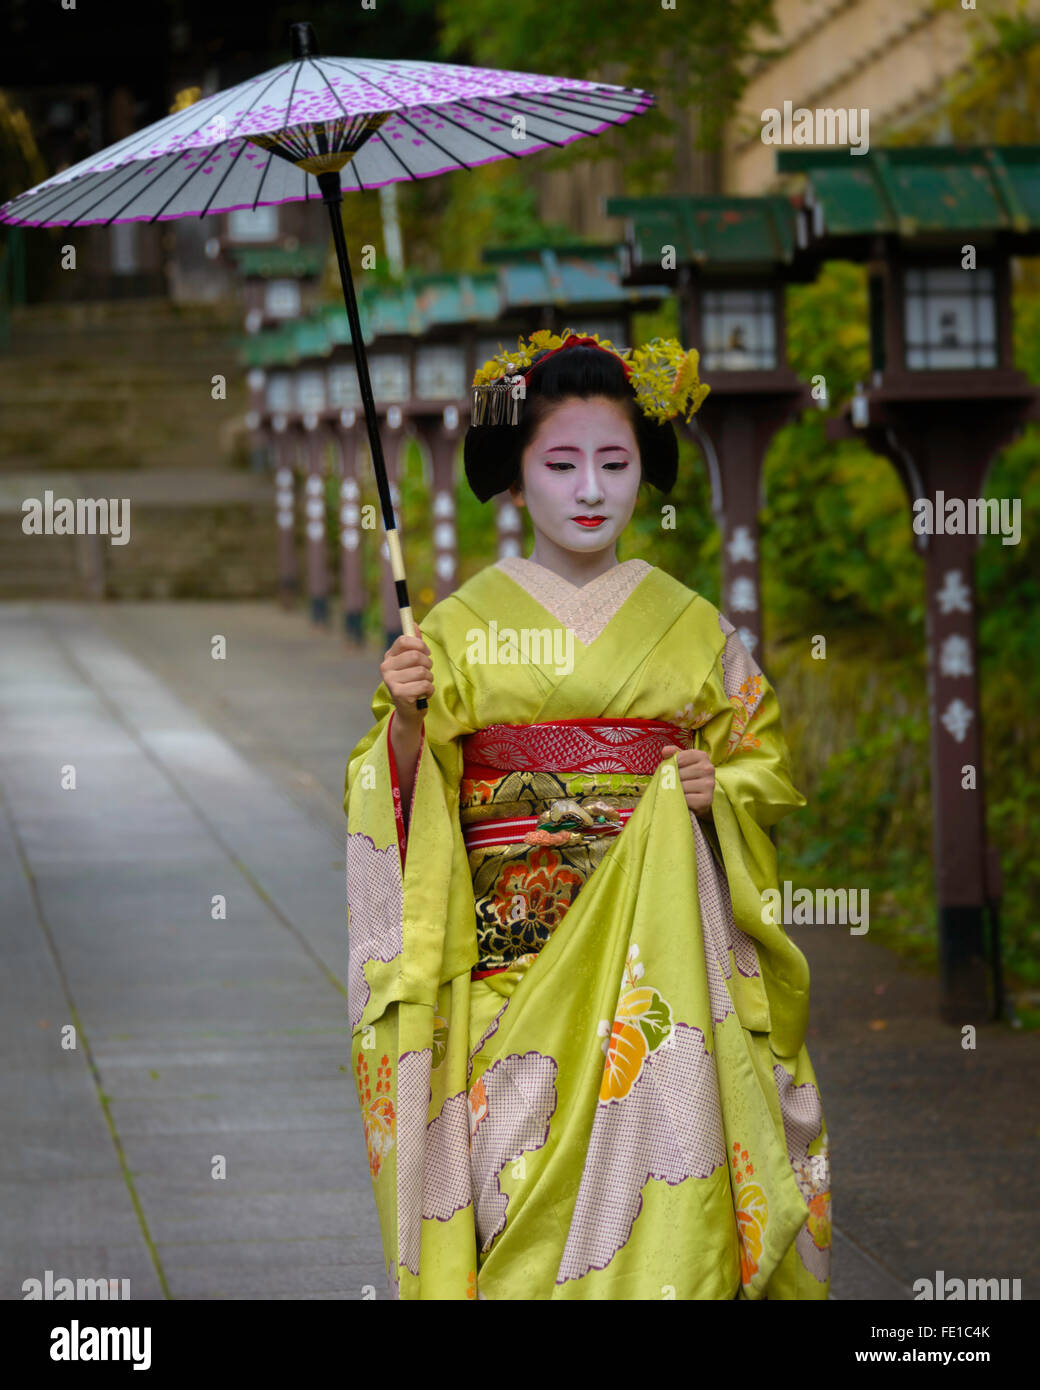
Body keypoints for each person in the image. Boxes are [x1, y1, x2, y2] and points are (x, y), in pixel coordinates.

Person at [344, 330, 831, 1300]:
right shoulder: (450, 632)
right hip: (505, 983)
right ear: (515, 479)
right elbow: (393, 797)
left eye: (613, 462)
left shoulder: (691, 627)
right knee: (513, 1210)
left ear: (643, 473)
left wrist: (712, 795)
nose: (589, 488)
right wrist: (405, 720)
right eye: (559, 463)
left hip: (656, 987)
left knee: (664, 1211)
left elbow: (763, 766)